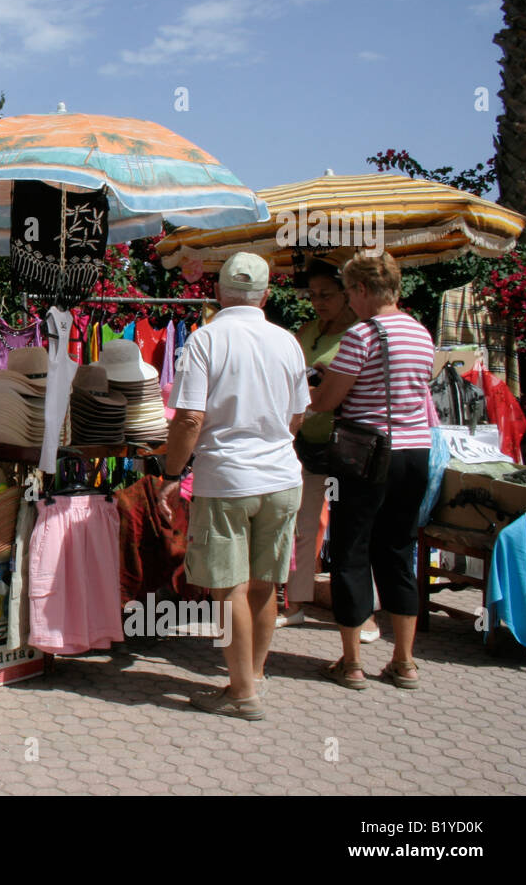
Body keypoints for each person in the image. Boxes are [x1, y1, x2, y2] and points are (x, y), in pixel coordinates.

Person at [158, 252, 310, 720]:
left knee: (229, 589)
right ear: (266, 295)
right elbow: (298, 414)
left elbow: (189, 418)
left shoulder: (206, 339)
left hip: (228, 478)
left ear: (219, 292)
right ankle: (251, 679)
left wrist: (169, 474)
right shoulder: (288, 342)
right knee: (266, 586)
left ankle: (243, 692)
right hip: (282, 477)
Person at [308, 252, 434, 690]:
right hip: (415, 453)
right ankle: (404, 661)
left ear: (360, 290)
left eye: (348, 293)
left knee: (351, 551)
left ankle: (352, 661)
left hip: (363, 455)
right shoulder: (420, 332)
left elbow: (326, 402)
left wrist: (316, 386)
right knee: (398, 552)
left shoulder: (362, 334)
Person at [277, 261, 380, 642]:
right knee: (302, 526)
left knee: (354, 533)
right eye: (313, 295)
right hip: (306, 442)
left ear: (347, 295)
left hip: (351, 444)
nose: (317, 302)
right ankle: (297, 604)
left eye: (327, 294)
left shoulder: (361, 335)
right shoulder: (307, 331)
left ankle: (364, 615)